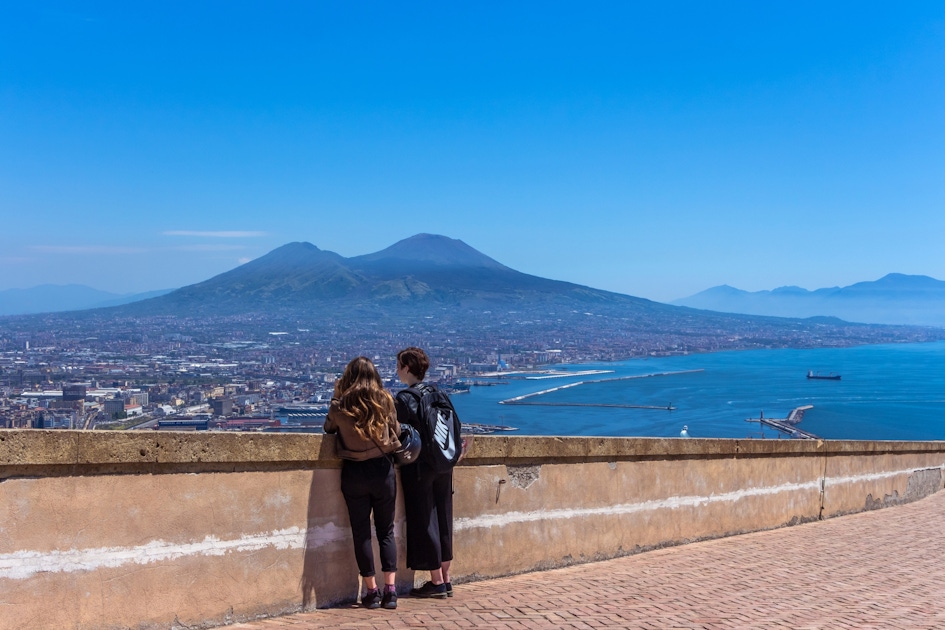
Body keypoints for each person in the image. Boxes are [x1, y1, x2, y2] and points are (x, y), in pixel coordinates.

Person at [323, 356, 402, 610]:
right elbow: (397, 432)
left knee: (362, 533)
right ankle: (391, 590)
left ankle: (371, 591)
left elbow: (328, 429)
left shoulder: (341, 405)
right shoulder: (385, 400)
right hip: (383, 471)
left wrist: (337, 396)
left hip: (354, 472)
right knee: (386, 531)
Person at [394, 346, 454, 599]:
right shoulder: (439, 393)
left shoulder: (405, 398)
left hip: (419, 467)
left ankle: (436, 581)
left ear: (407, 368)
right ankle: (446, 578)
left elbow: (395, 432)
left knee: (424, 518)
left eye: (398, 365)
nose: (397, 370)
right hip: (444, 463)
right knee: (443, 518)